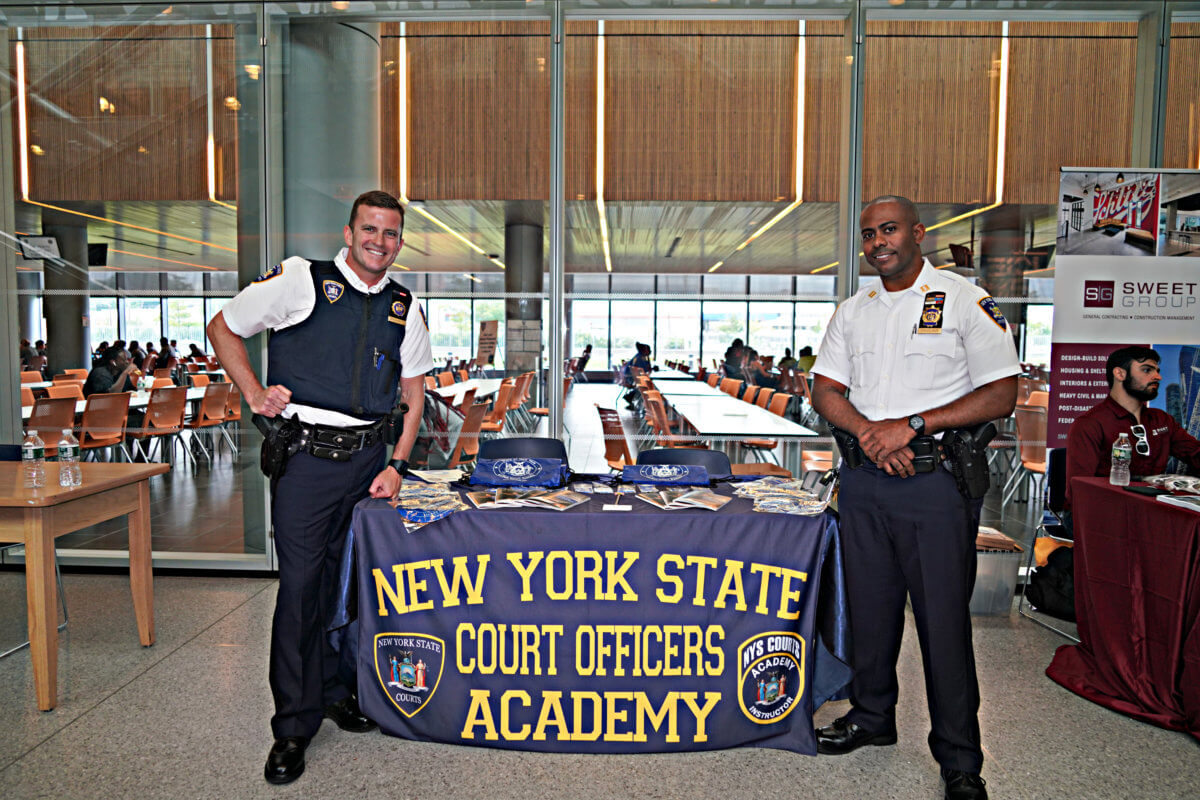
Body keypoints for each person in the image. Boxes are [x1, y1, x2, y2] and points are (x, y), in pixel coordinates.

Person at [206, 189, 433, 786]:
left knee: (348, 585)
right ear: (349, 229)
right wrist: (255, 394)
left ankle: (336, 692)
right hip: (306, 463)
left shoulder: (404, 306)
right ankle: (293, 726)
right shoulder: (303, 280)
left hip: (368, 466)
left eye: (390, 233)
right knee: (303, 590)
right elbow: (223, 327)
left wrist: (399, 466)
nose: (378, 242)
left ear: (399, 241)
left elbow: (413, 394)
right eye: (369, 229)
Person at [809, 196, 1019, 800]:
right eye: (869, 233)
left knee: (943, 624)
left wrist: (914, 425)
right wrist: (873, 437)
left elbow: (1001, 392)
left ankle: (960, 759)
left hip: (934, 486)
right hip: (867, 484)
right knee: (871, 617)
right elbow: (826, 390)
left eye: (890, 229)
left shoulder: (961, 299)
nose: (878, 242)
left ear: (918, 234)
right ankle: (872, 720)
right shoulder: (855, 309)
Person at [1064, 345, 1200, 525]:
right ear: (1120, 374)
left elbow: (1195, 454)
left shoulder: (1162, 421)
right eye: (1146, 370)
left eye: (1157, 371)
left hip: (1150, 512)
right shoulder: (1090, 424)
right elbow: (1080, 490)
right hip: (1103, 516)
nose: (1157, 376)